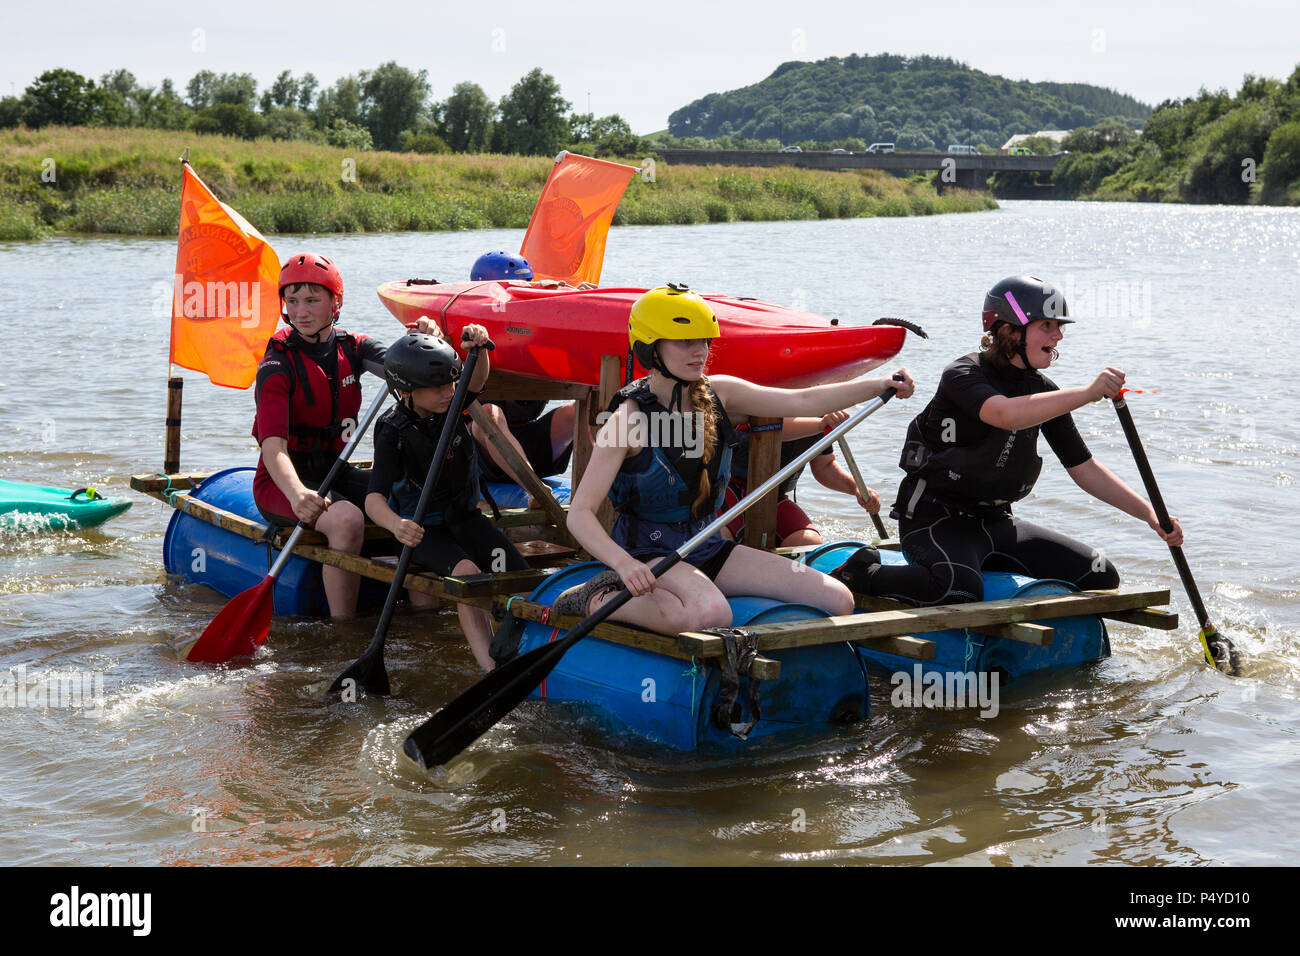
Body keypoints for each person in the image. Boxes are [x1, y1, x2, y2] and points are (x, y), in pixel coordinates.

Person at [554, 283, 914, 634]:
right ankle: (596, 596)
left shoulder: (721, 393)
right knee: (710, 613)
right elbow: (581, 514)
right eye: (684, 342)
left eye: (703, 341)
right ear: (650, 348)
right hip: (647, 552)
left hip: (707, 544)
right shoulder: (627, 420)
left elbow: (803, 403)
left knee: (838, 599)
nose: (699, 352)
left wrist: (880, 383)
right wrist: (624, 564)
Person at [832, 274, 1183, 606]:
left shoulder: (1044, 392)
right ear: (1009, 330)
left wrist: (1150, 514)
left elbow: (1084, 468)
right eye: (1047, 325)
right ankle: (862, 571)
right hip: (934, 517)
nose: (1058, 335)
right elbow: (1004, 414)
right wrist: (1088, 392)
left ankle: (979, 568)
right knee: (958, 589)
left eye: (1059, 326)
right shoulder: (962, 374)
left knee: (1100, 575)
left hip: (996, 522)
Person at [365, 328, 529, 671]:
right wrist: (398, 526)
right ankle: (489, 666)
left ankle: (530, 648)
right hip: (423, 530)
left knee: (520, 574)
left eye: (451, 383)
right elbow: (374, 500)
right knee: (468, 574)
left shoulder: (453, 406)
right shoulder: (392, 430)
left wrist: (480, 348)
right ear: (407, 390)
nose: (449, 392)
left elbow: (477, 379)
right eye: (437, 387)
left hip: (466, 519)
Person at [251, 252, 385, 619]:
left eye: (312, 300)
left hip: (333, 470)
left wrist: (424, 337)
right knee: (346, 519)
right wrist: (298, 495)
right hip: (282, 484)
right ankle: (345, 628)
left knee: (403, 495)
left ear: (335, 302)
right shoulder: (276, 365)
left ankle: (420, 610)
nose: (300, 311)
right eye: (292, 301)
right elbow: (273, 448)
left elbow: (404, 365)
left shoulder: (354, 347)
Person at [465, 251, 579, 500]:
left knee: (583, 409)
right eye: (510, 292)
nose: (517, 299)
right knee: (490, 413)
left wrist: (578, 301)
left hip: (527, 443)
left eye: (525, 289)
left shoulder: (537, 329)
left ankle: (607, 491)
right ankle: (535, 492)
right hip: (480, 452)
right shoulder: (466, 331)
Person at [722, 410, 882, 548]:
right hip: (729, 491)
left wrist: (856, 488)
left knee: (808, 542)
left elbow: (824, 466)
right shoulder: (756, 398)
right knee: (719, 539)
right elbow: (771, 426)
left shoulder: (822, 412)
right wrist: (819, 424)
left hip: (775, 497)